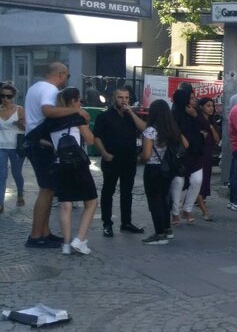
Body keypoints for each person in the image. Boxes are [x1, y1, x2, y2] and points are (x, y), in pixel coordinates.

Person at [23, 62, 89, 248]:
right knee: (46, 189)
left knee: (49, 189)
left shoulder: (35, 87)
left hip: (35, 143)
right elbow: (47, 111)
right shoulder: (50, 90)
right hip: (41, 145)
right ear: (60, 74)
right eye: (66, 77)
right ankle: (36, 236)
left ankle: (45, 232)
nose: (65, 81)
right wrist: (76, 110)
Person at [42, 88, 98, 255]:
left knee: (65, 205)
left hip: (59, 164)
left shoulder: (50, 121)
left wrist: (53, 145)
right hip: (77, 164)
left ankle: (66, 244)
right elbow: (90, 140)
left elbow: (38, 136)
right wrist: (86, 126)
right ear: (73, 101)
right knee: (91, 202)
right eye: (79, 100)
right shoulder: (77, 118)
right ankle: (80, 239)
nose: (80, 103)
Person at [92, 85, 146, 237]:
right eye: (120, 97)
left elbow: (144, 128)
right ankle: (107, 224)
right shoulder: (105, 116)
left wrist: (131, 112)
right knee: (108, 191)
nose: (124, 100)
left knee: (127, 192)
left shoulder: (131, 115)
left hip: (129, 159)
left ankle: (126, 222)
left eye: (127, 98)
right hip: (111, 158)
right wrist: (104, 153)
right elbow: (96, 136)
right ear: (113, 98)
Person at [139, 99, 184, 245]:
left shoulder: (150, 131)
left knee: (155, 202)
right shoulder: (172, 129)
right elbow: (186, 144)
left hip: (153, 169)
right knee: (164, 199)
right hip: (168, 169)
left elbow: (146, 155)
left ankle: (159, 234)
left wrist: (140, 158)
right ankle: (167, 230)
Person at [170, 88, 205, 225]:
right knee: (178, 182)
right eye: (191, 98)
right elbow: (172, 130)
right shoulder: (174, 114)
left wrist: (195, 115)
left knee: (197, 180)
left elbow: (206, 125)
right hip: (180, 154)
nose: (194, 100)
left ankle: (187, 208)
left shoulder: (196, 112)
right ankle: (175, 212)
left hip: (196, 152)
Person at [0, 83, 26, 213]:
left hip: (16, 146)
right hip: (1, 146)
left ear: (13, 96)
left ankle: (20, 194)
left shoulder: (19, 109)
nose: (5, 99)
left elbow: (27, 128)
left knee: (16, 173)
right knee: (2, 175)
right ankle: (0, 203)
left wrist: (19, 123)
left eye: (8, 96)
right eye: (2, 96)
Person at [194, 96, 219, 221]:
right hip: (198, 154)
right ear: (201, 107)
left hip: (208, 153)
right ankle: (203, 208)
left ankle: (199, 199)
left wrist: (211, 127)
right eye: (208, 106)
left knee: (205, 178)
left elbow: (216, 139)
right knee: (198, 179)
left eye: (212, 106)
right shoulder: (197, 120)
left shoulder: (212, 122)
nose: (211, 108)